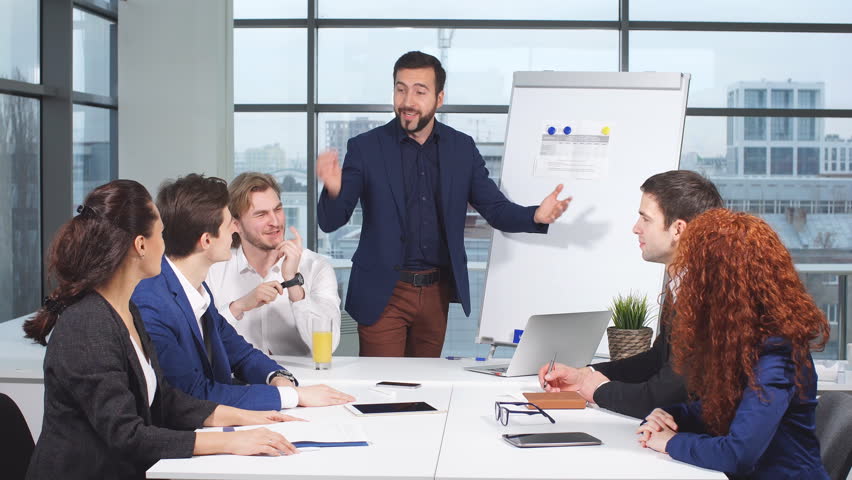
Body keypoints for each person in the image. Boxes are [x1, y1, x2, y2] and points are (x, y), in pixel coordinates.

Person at [23, 180, 303, 480]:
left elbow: (164, 399)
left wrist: (248, 417)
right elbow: (127, 434)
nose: (167, 243)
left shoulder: (125, 310)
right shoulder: (88, 324)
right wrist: (229, 440)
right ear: (141, 246)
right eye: (161, 234)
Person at [317, 50, 572, 357]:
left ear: (439, 98)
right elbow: (332, 221)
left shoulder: (461, 148)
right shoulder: (366, 148)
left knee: (423, 389)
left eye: (419, 91)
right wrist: (332, 189)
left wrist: (537, 216)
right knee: (383, 390)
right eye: (401, 89)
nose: (408, 101)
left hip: (436, 293)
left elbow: (494, 208)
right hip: (385, 292)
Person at [132, 174, 354, 412]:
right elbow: (194, 393)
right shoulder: (152, 302)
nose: (233, 235)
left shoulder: (196, 287)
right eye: (229, 226)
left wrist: (278, 378)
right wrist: (292, 397)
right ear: (207, 240)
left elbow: (239, 352)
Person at [637, 209, 830, 479]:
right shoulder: (741, 339)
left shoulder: (778, 352)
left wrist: (670, 442)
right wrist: (667, 416)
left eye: (695, 273)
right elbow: (718, 408)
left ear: (721, 284)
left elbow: (738, 454)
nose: (689, 282)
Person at [539, 170, 723, 418]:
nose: (636, 229)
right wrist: (587, 374)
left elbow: (665, 395)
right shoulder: (683, 280)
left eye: (645, 219)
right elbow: (658, 360)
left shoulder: (710, 294)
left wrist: (596, 390)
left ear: (678, 229)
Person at [206, 172, 341, 356]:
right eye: (261, 214)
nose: (275, 222)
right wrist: (238, 307)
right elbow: (203, 344)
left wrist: (293, 282)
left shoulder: (316, 267)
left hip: (299, 383)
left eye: (277, 210)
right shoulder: (214, 270)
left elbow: (327, 347)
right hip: (238, 382)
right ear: (236, 225)